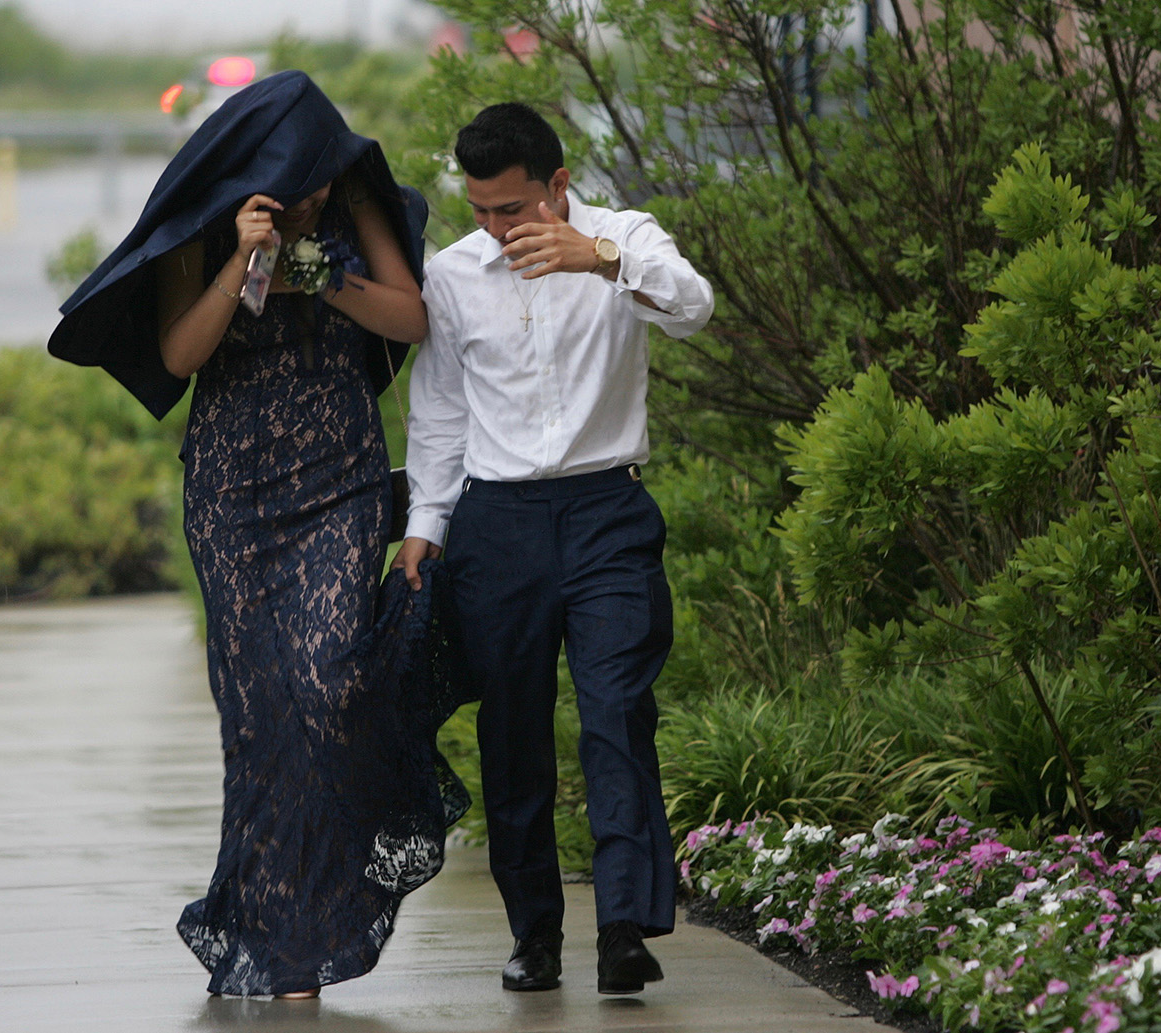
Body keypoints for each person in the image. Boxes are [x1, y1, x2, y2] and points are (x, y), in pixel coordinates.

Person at [48, 70, 472, 999]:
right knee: (261, 714)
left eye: (319, 181)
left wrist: (330, 277)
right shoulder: (205, 217)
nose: (311, 196)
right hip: (234, 487)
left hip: (339, 475)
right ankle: (278, 943)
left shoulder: (351, 194)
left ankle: (319, 912)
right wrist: (245, 261)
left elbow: (413, 316)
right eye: (297, 187)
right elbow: (178, 355)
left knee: (327, 685)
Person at [393, 102, 714, 995]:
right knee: (514, 733)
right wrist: (426, 525)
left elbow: (693, 307)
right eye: (481, 209)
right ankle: (534, 934)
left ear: (559, 186)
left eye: (512, 209)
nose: (495, 229)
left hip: (609, 510)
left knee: (617, 713)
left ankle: (623, 929)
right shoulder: (455, 274)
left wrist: (601, 261)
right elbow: (443, 411)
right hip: (497, 524)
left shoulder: (622, 237)